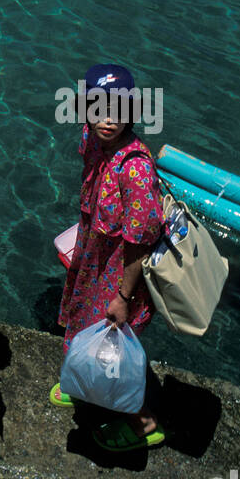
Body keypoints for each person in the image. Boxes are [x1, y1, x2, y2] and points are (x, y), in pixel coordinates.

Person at [53, 63, 166, 452]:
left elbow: (139, 241)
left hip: (120, 272)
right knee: (87, 329)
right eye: (98, 107)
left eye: (117, 110)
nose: (107, 119)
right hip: (95, 261)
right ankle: (83, 381)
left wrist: (122, 295)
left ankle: (142, 423)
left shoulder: (134, 169)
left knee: (112, 341)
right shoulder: (93, 138)